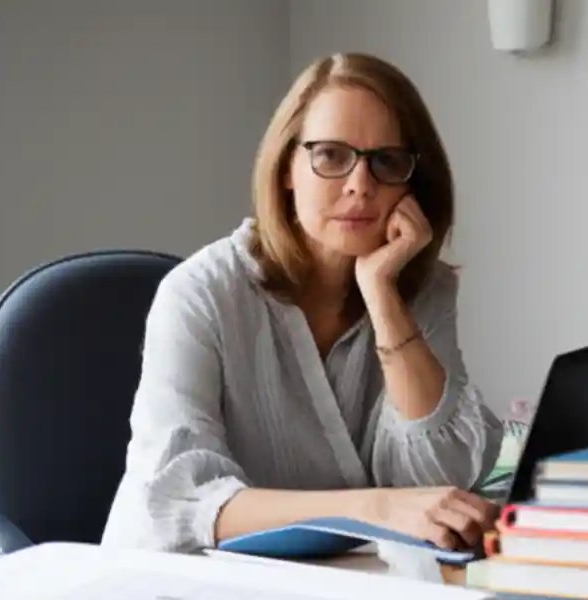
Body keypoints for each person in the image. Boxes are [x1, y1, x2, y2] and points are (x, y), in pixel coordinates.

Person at [101, 52, 504, 554]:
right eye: (331, 155)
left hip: (342, 586)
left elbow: (438, 481)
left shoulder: (421, 289)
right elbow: (182, 502)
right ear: (287, 167)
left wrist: (383, 297)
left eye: (387, 160)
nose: (360, 183)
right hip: (178, 592)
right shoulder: (200, 294)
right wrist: (371, 507)